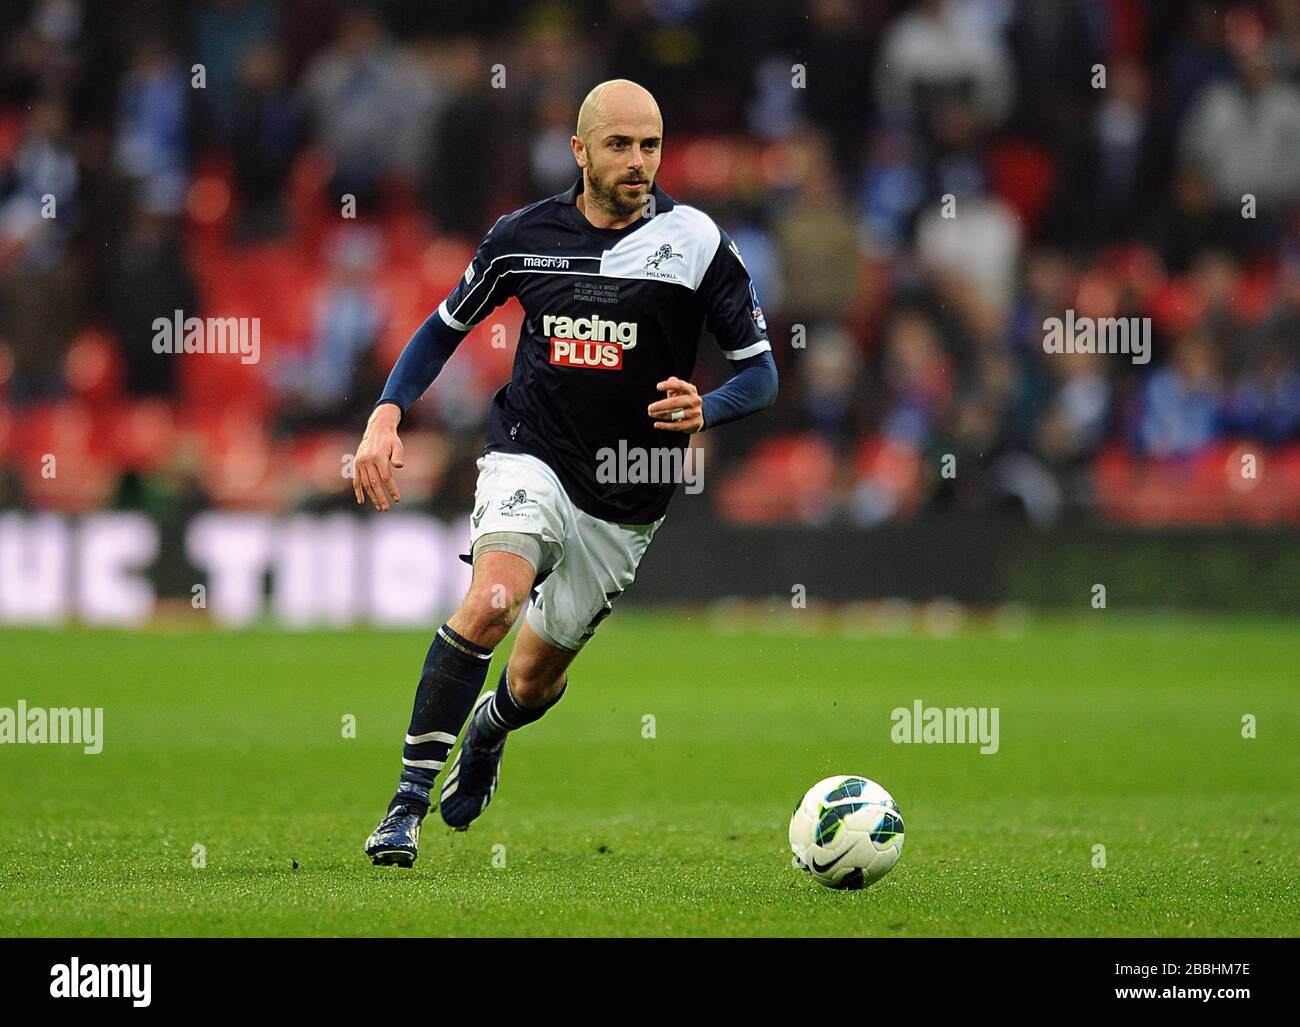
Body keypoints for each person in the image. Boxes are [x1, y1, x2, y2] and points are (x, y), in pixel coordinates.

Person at [355, 80, 778, 866]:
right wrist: (387, 411)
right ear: (579, 151)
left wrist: (706, 408)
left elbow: (762, 374)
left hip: (630, 489)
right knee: (493, 600)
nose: (638, 161)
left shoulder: (696, 241)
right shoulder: (522, 236)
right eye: (620, 145)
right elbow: (443, 330)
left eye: (651, 144)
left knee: (534, 681)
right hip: (531, 451)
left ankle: (488, 729)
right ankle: (404, 806)